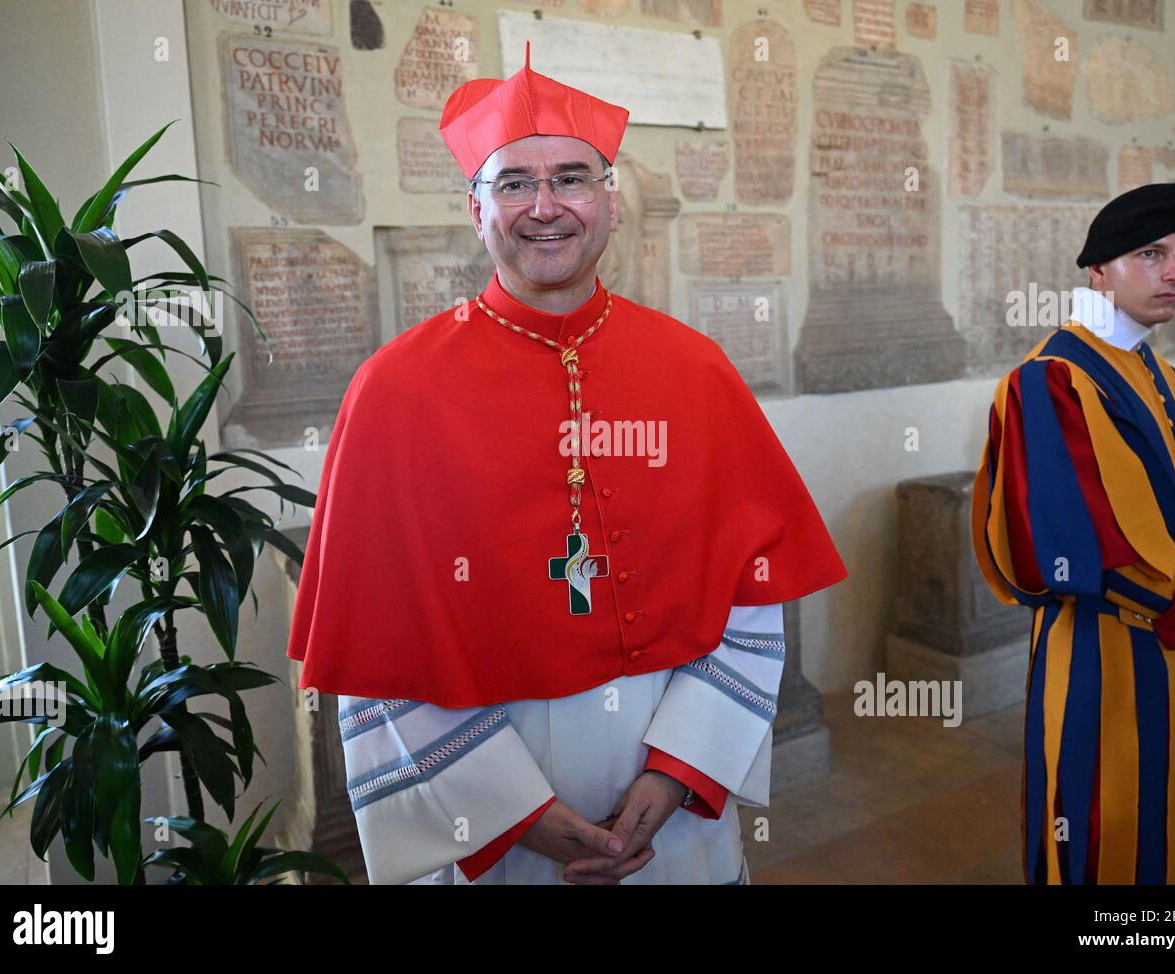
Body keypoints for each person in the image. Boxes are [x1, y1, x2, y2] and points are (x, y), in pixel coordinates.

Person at [286, 43, 848, 885]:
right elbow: (378, 660)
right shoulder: (394, 393)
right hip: (492, 827)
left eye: (572, 178)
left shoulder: (695, 371)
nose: (544, 206)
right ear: (476, 209)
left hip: (674, 819)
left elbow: (751, 597)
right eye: (514, 182)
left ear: (610, 203)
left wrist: (680, 771)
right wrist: (512, 811)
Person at [971, 180, 1175, 885]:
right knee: (1102, 829)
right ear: (1098, 269)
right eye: (1151, 253)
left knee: (1169, 824)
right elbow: (1086, 550)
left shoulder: (1170, 382)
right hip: (1103, 655)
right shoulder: (1049, 383)